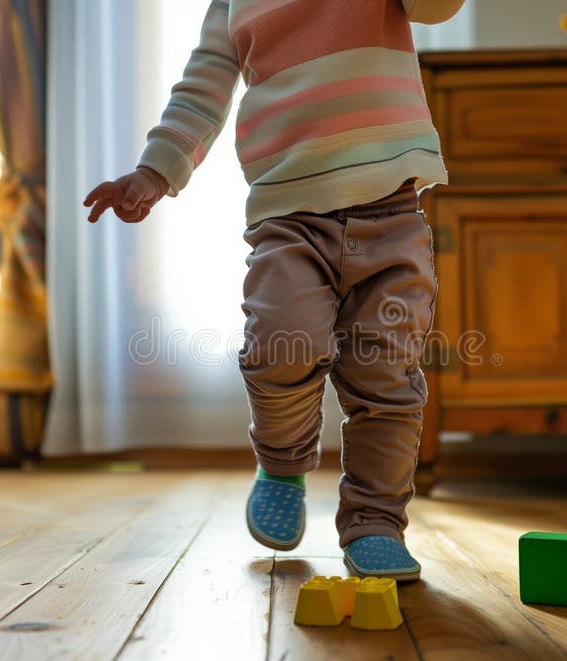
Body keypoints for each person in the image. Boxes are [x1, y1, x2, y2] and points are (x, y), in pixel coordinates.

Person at [84, 0, 465, 582]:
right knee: (279, 344)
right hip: (289, 211)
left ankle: (375, 523)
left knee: (386, 376)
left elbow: (437, 9)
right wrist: (155, 171)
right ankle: (283, 465)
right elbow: (203, 87)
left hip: (393, 208)